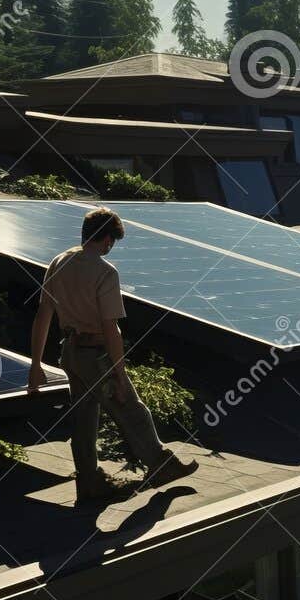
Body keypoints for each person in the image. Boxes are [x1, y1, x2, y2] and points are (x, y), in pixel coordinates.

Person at [28, 206, 196, 501]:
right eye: (112, 241)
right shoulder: (105, 273)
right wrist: (119, 375)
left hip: (70, 352)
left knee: (83, 420)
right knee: (132, 409)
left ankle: (89, 483)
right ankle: (161, 466)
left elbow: (43, 315)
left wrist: (35, 364)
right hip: (96, 355)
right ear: (106, 238)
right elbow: (111, 329)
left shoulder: (59, 262)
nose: (111, 247)